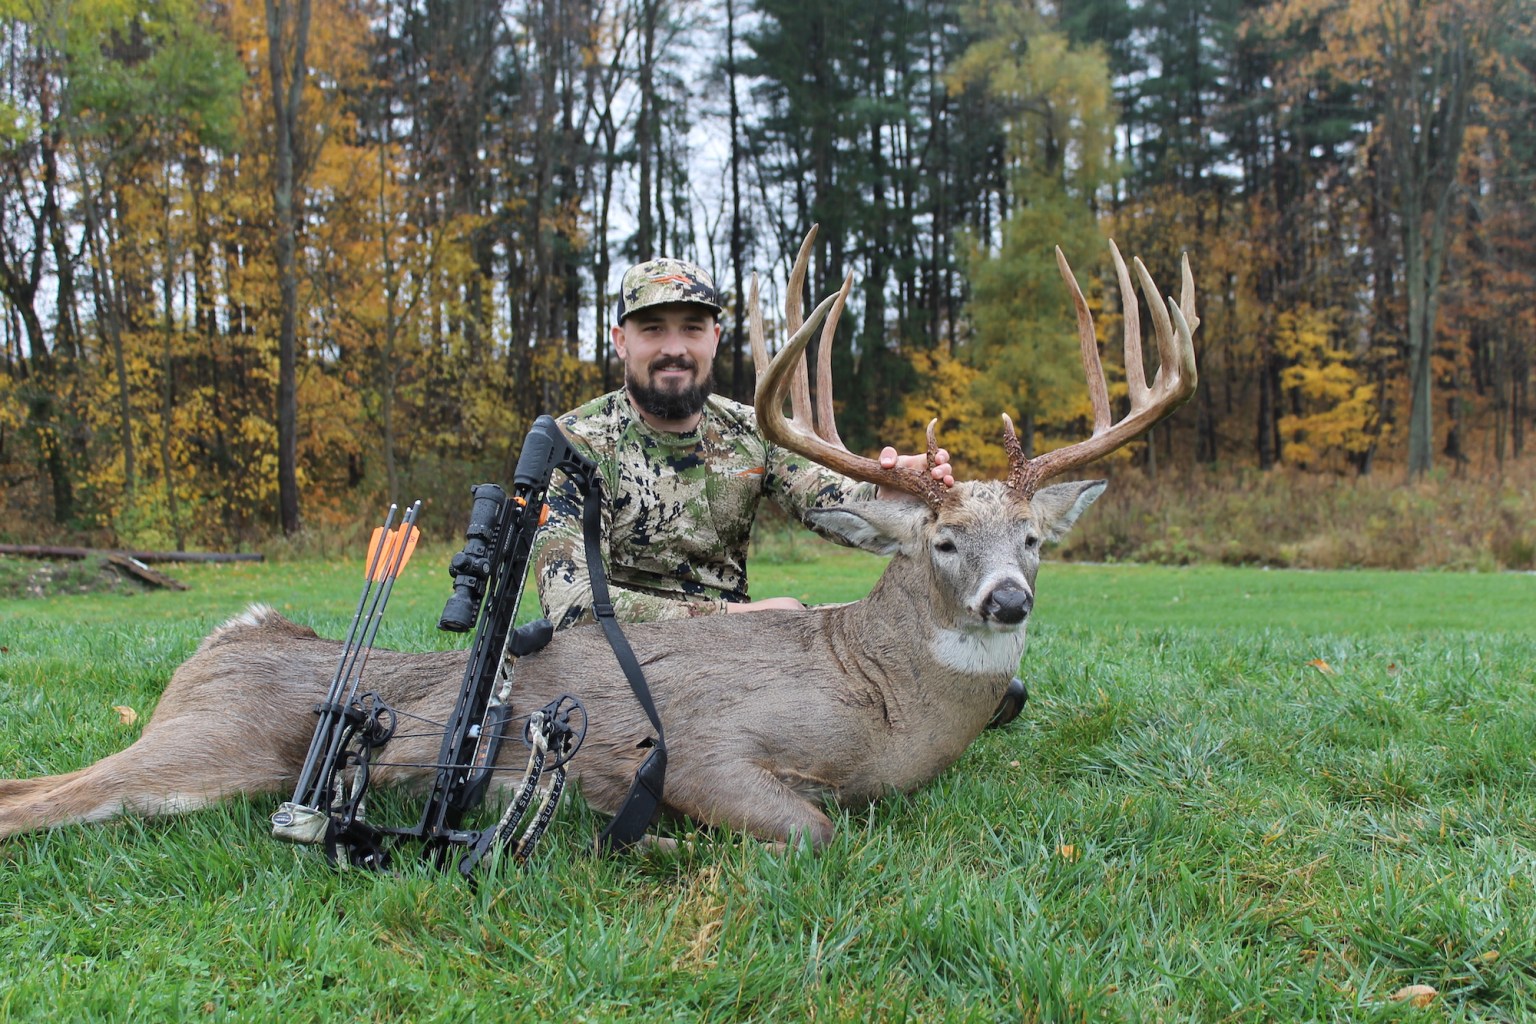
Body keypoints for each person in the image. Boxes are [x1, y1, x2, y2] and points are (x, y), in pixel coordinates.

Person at [532, 255, 1025, 726]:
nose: (674, 348)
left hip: (746, 651)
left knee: (858, 635)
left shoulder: (753, 431)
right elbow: (573, 607)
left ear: (715, 338)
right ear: (621, 340)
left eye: (692, 328)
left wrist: (888, 495)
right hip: (617, 661)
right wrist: (739, 617)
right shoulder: (573, 444)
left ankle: (946, 695)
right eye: (653, 328)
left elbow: (828, 501)